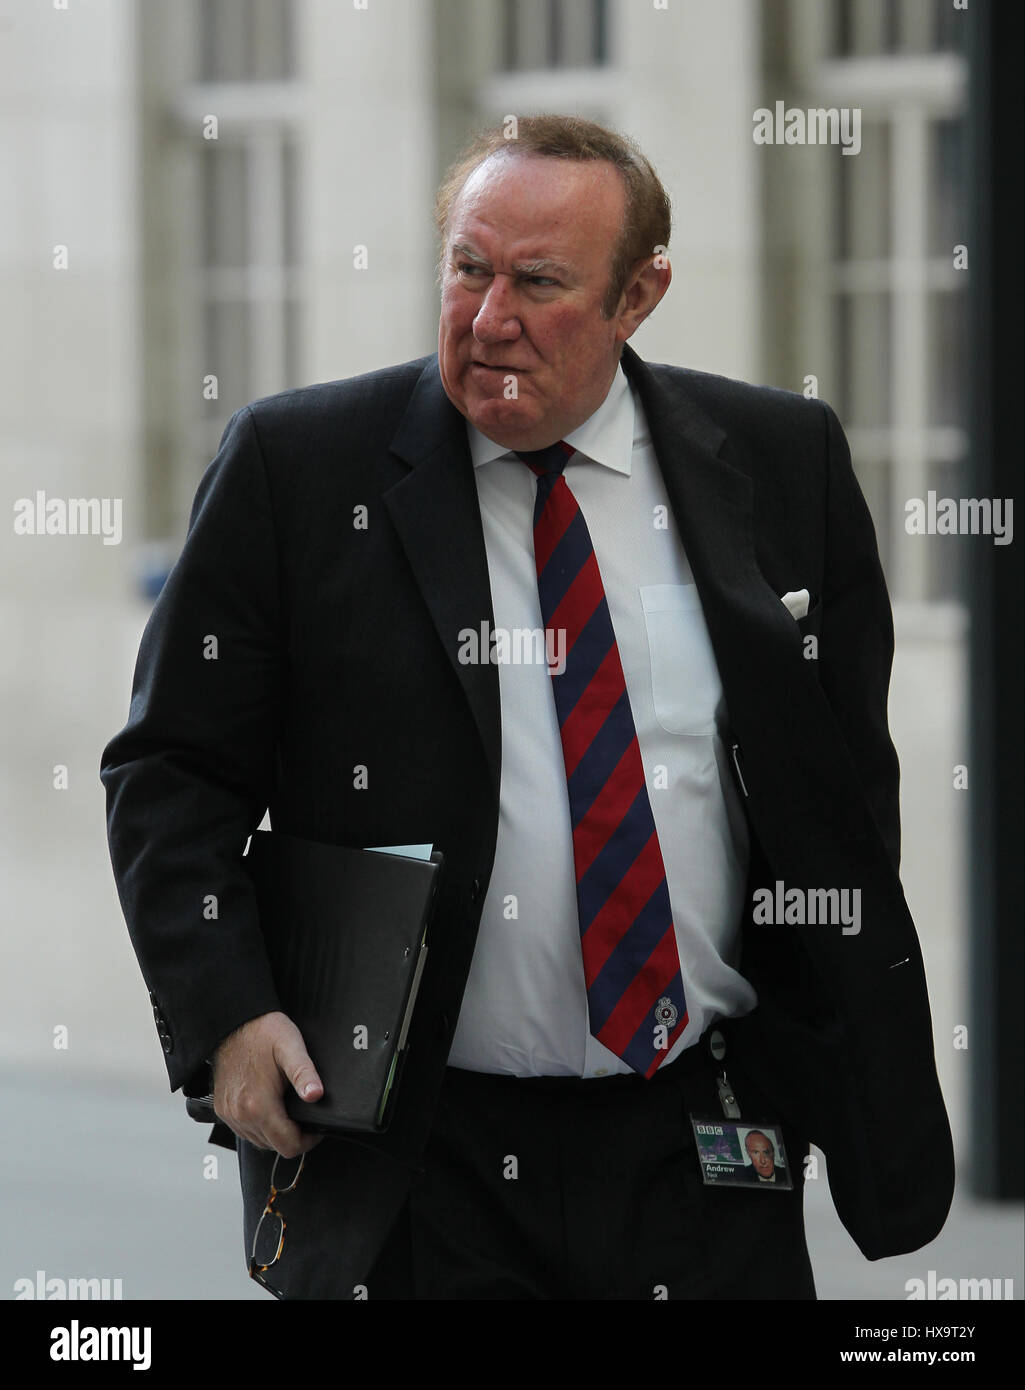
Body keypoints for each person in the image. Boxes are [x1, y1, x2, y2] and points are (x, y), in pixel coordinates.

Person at [101, 115, 954, 1300]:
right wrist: (228, 1012)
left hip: (703, 1139)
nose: (488, 317)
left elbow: (844, 794)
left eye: (538, 281)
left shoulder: (779, 461)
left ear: (637, 296)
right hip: (422, 1155)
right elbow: (169, 770)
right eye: (467, 267)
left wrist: (804, 1060)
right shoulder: (299, 472)